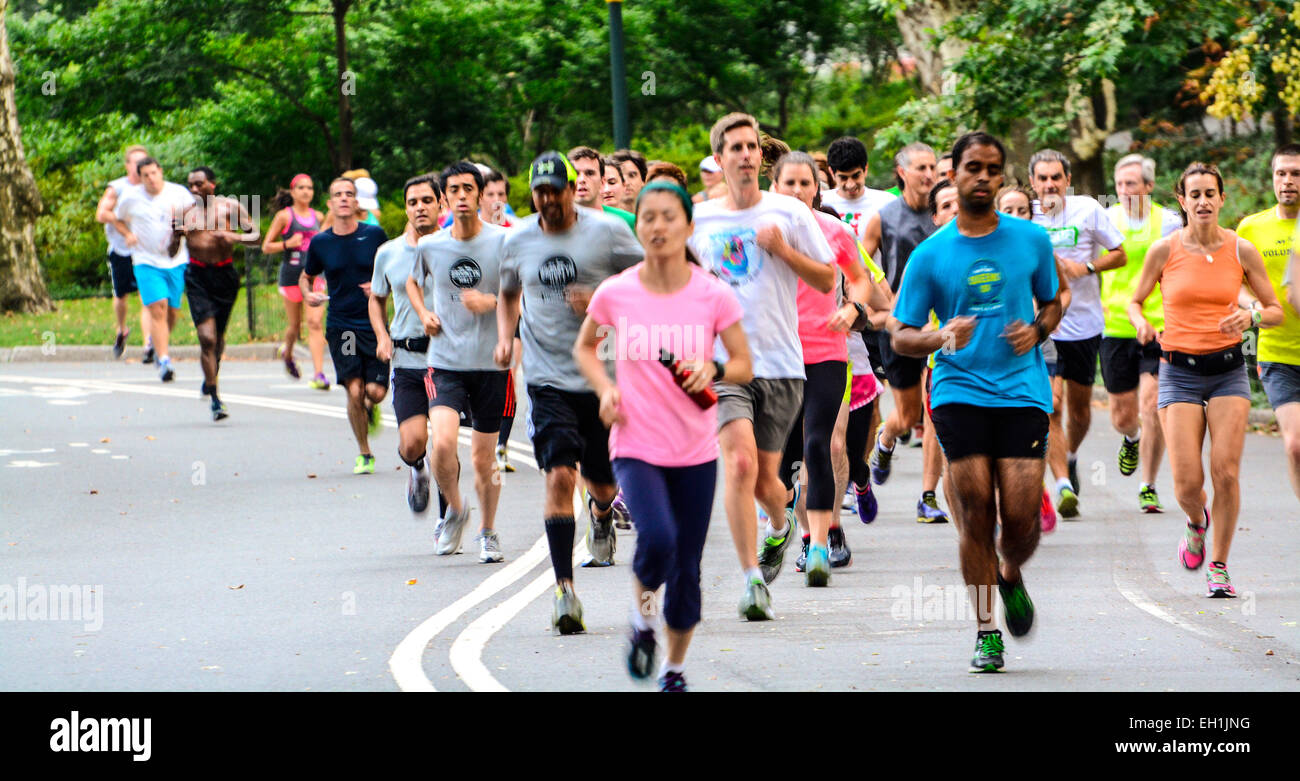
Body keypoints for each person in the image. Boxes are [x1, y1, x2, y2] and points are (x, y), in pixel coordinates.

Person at [890, 131, 1064, 673]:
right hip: (959, 390)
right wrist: (940, 338)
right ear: (955, 174)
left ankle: (1010, 574)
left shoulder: (1031, 240)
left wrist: (1038, 331)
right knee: (972, 513)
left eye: (993, 168)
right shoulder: (930, 254)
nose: (983, 177)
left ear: (1002, 176)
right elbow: (899, 332)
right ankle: (986, 629)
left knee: (1018, 519)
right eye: (973, 167)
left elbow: (1054, 300)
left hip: (1022, 391)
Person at [574, 180, 752, 692]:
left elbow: (743, 364)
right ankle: (642, 620)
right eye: (647, 216)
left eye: (668, 216)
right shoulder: (618, 291)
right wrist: (605, 388)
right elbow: (586, 347)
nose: (656, 226)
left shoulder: (712, 293)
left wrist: (712, 367)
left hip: (695, 449)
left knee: (687, 570)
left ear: (688, 226)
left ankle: (673, 671)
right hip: (636, 443)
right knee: (656, 541)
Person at [686, 113, 835, 618]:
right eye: (736, 148)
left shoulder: (789, 213)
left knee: (768, 481)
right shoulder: (698, 219)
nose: (747, 154)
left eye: (752, 146)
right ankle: (752, 580)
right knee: (741, 465)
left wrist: (783, 250)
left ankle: (780, 524)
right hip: (725, 365)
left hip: (781, 363)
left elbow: (826, 281)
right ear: (720, 159)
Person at [496, 151, 643, 633]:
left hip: (602, 377)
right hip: (547, 378)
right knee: (560, 476)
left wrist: (602, 301)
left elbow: (651, 280)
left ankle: (601, 512)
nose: (547, 200)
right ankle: (564, 591)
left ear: (569, 189)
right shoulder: (517, 239)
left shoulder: (607, 232)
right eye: (539, 192)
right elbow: (508, 292)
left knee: (603, 483)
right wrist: (504, 337)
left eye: (555, 190)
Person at [1128, 162, 1282, 597]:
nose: (1202, 201)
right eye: (1193, 194)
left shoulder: (1241, 249)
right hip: (1177, 372)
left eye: (1209, 193)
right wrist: (1141, 323)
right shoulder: (1165, 250)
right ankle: (1197, 521)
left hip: (1228, 371)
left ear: (1221, 198)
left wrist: (1250, 315)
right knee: (1186, 484)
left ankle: (1219, 564)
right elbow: (1135, 301)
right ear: (1182, 200)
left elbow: (1274, 311)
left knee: (1226, 472)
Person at [770, 151, 891, 585]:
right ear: (774, 188)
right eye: (790, 184)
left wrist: (853, 307)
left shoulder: (834, 230)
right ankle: (789, 530)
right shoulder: (757, 232)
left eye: (807, 184)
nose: (799, 192)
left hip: (826, 351)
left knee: (819, 445)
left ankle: (819, 545)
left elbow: (862, 279)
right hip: (774, 357)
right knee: (777, 463)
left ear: (817, 189)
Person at [408, 162, 512, 563]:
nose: (463, 195)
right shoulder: (431, 245)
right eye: (455, 189)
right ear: (446, 198)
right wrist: (423, 314)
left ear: (482, 194)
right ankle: (454, 509)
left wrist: (491, 306)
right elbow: (414, 281)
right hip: (446, 360)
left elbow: (517, 294)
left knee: (483, 460)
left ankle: (487, 530)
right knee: (443, 444)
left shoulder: (503, 242)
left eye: (470, 188)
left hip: (491, 364)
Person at [1029, 149, 1127, 519]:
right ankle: (1061, 483)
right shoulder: (1025, 213)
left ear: (1067, 180)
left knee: (1080, 411)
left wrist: (1085, 267)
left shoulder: (1087, 209)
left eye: (1056, 177)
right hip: (1044, 327)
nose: (1050, 184)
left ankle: (1068, 456)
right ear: (1033, 182)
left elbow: (1120, 253)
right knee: (1052, 405)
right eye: (1042, 178)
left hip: (1085, 324)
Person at [863, 142, 953, 524]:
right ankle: (886, 439)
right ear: (902, 172)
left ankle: (928, 496)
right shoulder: (883, 217)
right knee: (907, 415)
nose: (929, 174)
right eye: (921, 168)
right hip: (900, 326)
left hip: (940, 326)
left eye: (933, 167)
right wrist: (884, 300)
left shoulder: (950, 213)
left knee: (932, 416)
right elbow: (860, 263)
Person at [1103, 154, 1182, 512]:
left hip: (1157, 325)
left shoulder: (1167, 222)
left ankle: (1147, 485)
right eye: (1119, 184)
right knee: (1122, 416)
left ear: (1149, 187)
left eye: (1131, 183)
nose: (1124, 190)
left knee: (1152, 404)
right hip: (1115, 326)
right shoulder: (1107, 220)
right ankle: (1131, 439)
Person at [302, 177, 391, 474]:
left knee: (375, 392)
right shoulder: (321, 242)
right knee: (354, 390)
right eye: (337, 194)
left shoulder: (375, 236)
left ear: (356, 203)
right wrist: (309, 294)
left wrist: (381, 288)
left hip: (375, 324)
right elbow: (306, 276)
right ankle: (365, 453)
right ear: (329, 203)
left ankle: (370, 406)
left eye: (349, 194)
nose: (343, 198)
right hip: (344, 327)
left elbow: (394, 271)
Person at [997, 184, 1069, 533]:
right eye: (1006, 210)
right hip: (994, 351)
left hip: (1039, 342)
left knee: (1042, 414)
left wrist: (1042, 323)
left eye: (1021, 210)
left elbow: (1061, 293)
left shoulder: (1038, 246)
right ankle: (1017, 494)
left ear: (1032, 213)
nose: (1014, 217)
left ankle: (1039, 485)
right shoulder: (983, 248)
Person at [368, 174, 441, 513]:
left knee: (445, 443)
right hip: (408, 358)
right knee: (413, 444)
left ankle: (447, 517)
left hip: (448, 361)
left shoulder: (454, 248)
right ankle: (417, 469)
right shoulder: (388, 253)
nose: (420, 208)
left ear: (440, 203)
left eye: (427, 200)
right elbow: (376, 298)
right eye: (413, 202)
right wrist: (382, 336)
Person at [1237, 144, 1300, 501]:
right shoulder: (1252, 228)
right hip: (1278, 354)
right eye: (1281, 173)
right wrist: (1254, 306)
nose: (1288, 181)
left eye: (1296, 173)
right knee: (1294, 446)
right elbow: (1235, 281)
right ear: (1272, 178)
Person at [182, 166, 260, 420]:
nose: (194, 189)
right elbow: (170, 248)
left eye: (199, 184)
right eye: (190, 185)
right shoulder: (184, 213)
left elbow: (257, 237)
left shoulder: (231, 207)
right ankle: (215, 398)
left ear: (212, 184)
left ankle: (211, 375)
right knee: (207, 338)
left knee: (219, 335)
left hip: (225, 276)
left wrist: (232, 237)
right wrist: (176, 236)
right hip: (197, 276)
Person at [110, 157, 195, 383]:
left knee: (172, 311)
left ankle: (160, 346)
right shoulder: (130, 198)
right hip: (145, 261)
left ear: (161, 172)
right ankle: (165, 361)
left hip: (176, 260)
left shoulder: (179, 193)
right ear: (140, 178)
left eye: (154, 173)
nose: (151, 179)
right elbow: (116, 219)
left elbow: (194, 217)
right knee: (158, 307)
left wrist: (187, 227)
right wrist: (127, 234)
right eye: (145, 175)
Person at [262, 175, 329, 389]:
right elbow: (266, 246)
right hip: (291, 275)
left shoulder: (318, 216)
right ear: (292, 192)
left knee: (315, 322)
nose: (306, 192)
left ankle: (318, 374)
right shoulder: (285, 216)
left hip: (314, 275)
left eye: (309, 188)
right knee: (294, 326)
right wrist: (287, 244)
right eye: (301, 188)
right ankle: (288, 353)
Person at [95, 144, 153, 360]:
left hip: (144, 251)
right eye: (136, 162)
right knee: (121, 296)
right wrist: (122, 220)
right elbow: (101, 214)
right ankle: (121, 330)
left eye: (144, 162)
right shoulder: (117, 188)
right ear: (128, 165)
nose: (140, 167)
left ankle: (148, 344)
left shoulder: (152, 187)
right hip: (120, 250)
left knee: (147, 296)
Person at [821, 136, 895, 241]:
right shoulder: (821, 202)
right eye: (843, 178)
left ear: (865, 169)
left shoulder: (887, 202)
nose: (850, 184)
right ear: (832, 173)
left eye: (856, 176)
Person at [568, 146, 636, 231]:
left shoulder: (627, 222)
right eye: (576, 173)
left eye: (589, 173)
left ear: (602, 181)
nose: (582, 180)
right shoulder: (554, 223)